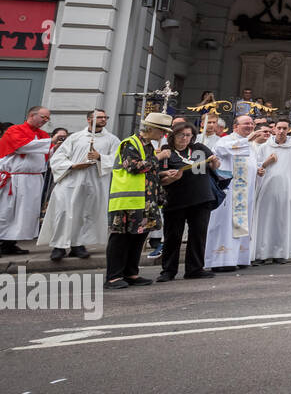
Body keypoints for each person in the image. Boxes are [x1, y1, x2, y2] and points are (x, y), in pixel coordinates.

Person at [105, 112, 174, 289]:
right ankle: (113, 276)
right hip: (127, 200)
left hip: (144, 200)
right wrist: (159, 158)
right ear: (150, 129)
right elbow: (134, 167)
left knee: (138, 238)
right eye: (161, 131)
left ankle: (131, 272)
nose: (163, 135)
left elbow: (147, 171)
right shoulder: (129, 143)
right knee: (121, 238)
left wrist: (161, 174)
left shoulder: (148, 146)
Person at [38, 109, 118, 261]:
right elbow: (57, 158)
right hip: (71, 181)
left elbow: (117, 159)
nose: (103, 120)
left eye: (105, 117)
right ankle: (59, 246)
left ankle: (78, 245)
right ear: (89, 120)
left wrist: (100, 157)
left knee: (85, 213)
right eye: (99, 117)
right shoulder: (75, 138)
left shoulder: (112, 140)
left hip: (95, 182)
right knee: (63, 213)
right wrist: (73, 166)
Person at [158, 122, 220, 280]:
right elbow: (158, 174)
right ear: (173, 136)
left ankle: (195, 268)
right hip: (176, 200)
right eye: (181, 135)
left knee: (198, 235)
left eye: (188, 135)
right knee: (173, 236)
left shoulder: (199, 148)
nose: (184, 138)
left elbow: (215, 165)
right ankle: (168, 270)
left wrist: (214, 162)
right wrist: (168, 175)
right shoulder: (167, 151)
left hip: (201, 198)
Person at [205, 115, 267, 272]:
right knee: (224, 225)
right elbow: (219, 151)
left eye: (252, 123)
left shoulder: (250, 145)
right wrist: (247, 140)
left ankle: (238, 257)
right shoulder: (226, 140)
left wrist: (257, 169)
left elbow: (249, 164)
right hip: (230, 192)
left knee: (242, 225)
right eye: (246, 123)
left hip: (245, 193)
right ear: (235, 127)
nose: (250, 126)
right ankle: (220, 261)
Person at [0, 105, 53, 256]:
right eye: (44, 117)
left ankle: (9, 244)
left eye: (48, 118)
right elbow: (22, 146)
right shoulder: (14, 130)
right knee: (7, 211)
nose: (46, 121)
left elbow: (48, 151)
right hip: (16, 178)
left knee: (24, 214)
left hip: (34, 179)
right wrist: (50, 142)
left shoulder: (42, 135)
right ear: (32, 115)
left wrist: (56, 146)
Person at [250, 119, 291, 263]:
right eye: (279, 128)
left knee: (282, 222)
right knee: (264, 222)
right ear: (274, 130)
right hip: (266, 189)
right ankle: (261, 253)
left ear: (289, 130)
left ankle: (280, 253)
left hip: (286, 190)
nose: (281, 131)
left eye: (284, 128)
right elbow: (256, 168)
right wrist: (266, 163)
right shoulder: (264, 147)